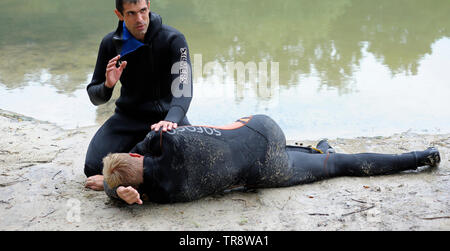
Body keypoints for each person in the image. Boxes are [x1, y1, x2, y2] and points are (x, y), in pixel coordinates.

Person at [97, 114, 440, 205]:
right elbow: (144, 147)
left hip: (265, 172)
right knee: (232, 145)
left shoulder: (162, 196)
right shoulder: (166, 137)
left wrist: (114, 191)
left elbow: (123, 191)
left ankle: (418, 158)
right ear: (133, 154)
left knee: (339, 167)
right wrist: (113, 179)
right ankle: (324, 148)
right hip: (260, 128)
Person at [84, 0, 193, 184]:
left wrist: (171, 119)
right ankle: (133, 170)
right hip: (128, 118)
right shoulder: (111, 43)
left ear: (149, 7)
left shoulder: (174, 39)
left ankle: (120, 177)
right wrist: (107, 85)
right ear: (119, 15)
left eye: (143, 11)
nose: (140, 19)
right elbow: (95, 96)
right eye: (131, 14)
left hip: (167, 118)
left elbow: (184, 90)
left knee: (186, 165)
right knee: (92, 167)